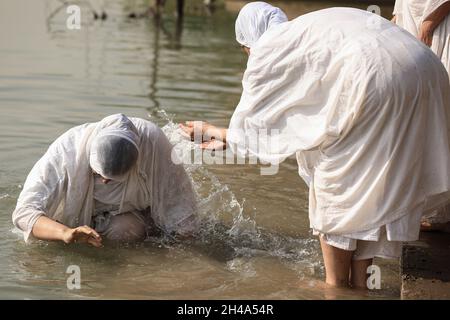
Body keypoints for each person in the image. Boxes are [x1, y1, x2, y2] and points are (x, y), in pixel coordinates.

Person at [180, 2, 450, 288]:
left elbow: (255, 128)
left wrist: (214, 132)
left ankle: (334, 287)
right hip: (426, 70)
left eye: (244, 49)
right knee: (372, 180)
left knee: (336, 184)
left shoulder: (268, 48)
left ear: (248, 40)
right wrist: (228, 136)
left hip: (378, 78)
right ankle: (361, 286)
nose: (247, 55)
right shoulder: (308, 29)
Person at [13, 114, 198, 247]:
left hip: (128, 216)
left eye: (114, 179)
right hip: (69, 221)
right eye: (98, 174)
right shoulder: (67, 152)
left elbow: (182, 211)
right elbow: (24, 213)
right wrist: (65, 233)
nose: (104, 182)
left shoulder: (153, 144)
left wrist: (175, 264)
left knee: (126, 231)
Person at [393, 0, 450, 232]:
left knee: (440, 111)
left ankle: (439, 208)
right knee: (413, 117)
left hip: (438, 29)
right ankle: (421, 205)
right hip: (409, 26)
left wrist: (428, 24)